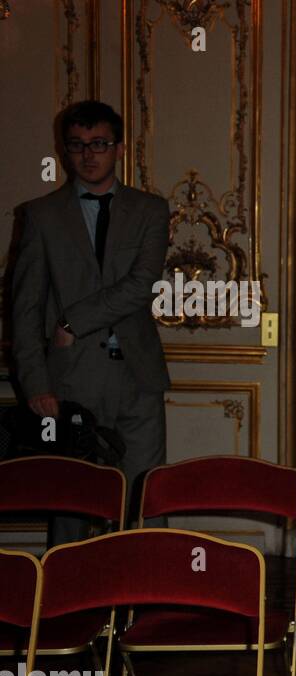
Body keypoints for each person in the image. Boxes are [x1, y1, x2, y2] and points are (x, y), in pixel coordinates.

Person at [9, 99, 169, 541]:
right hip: (69, 383)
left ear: (119, 148)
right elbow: (23, 307)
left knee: (146, 502)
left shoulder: (151, 210)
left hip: (138, 378)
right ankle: (67, 605)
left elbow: (141, 285)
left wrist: (72, 321)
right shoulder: (41, 215)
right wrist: (36, 382)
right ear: (65, 151)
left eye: (99, 143)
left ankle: (144, 602)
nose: (88, 154)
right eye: (77, 145)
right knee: (72, 506)